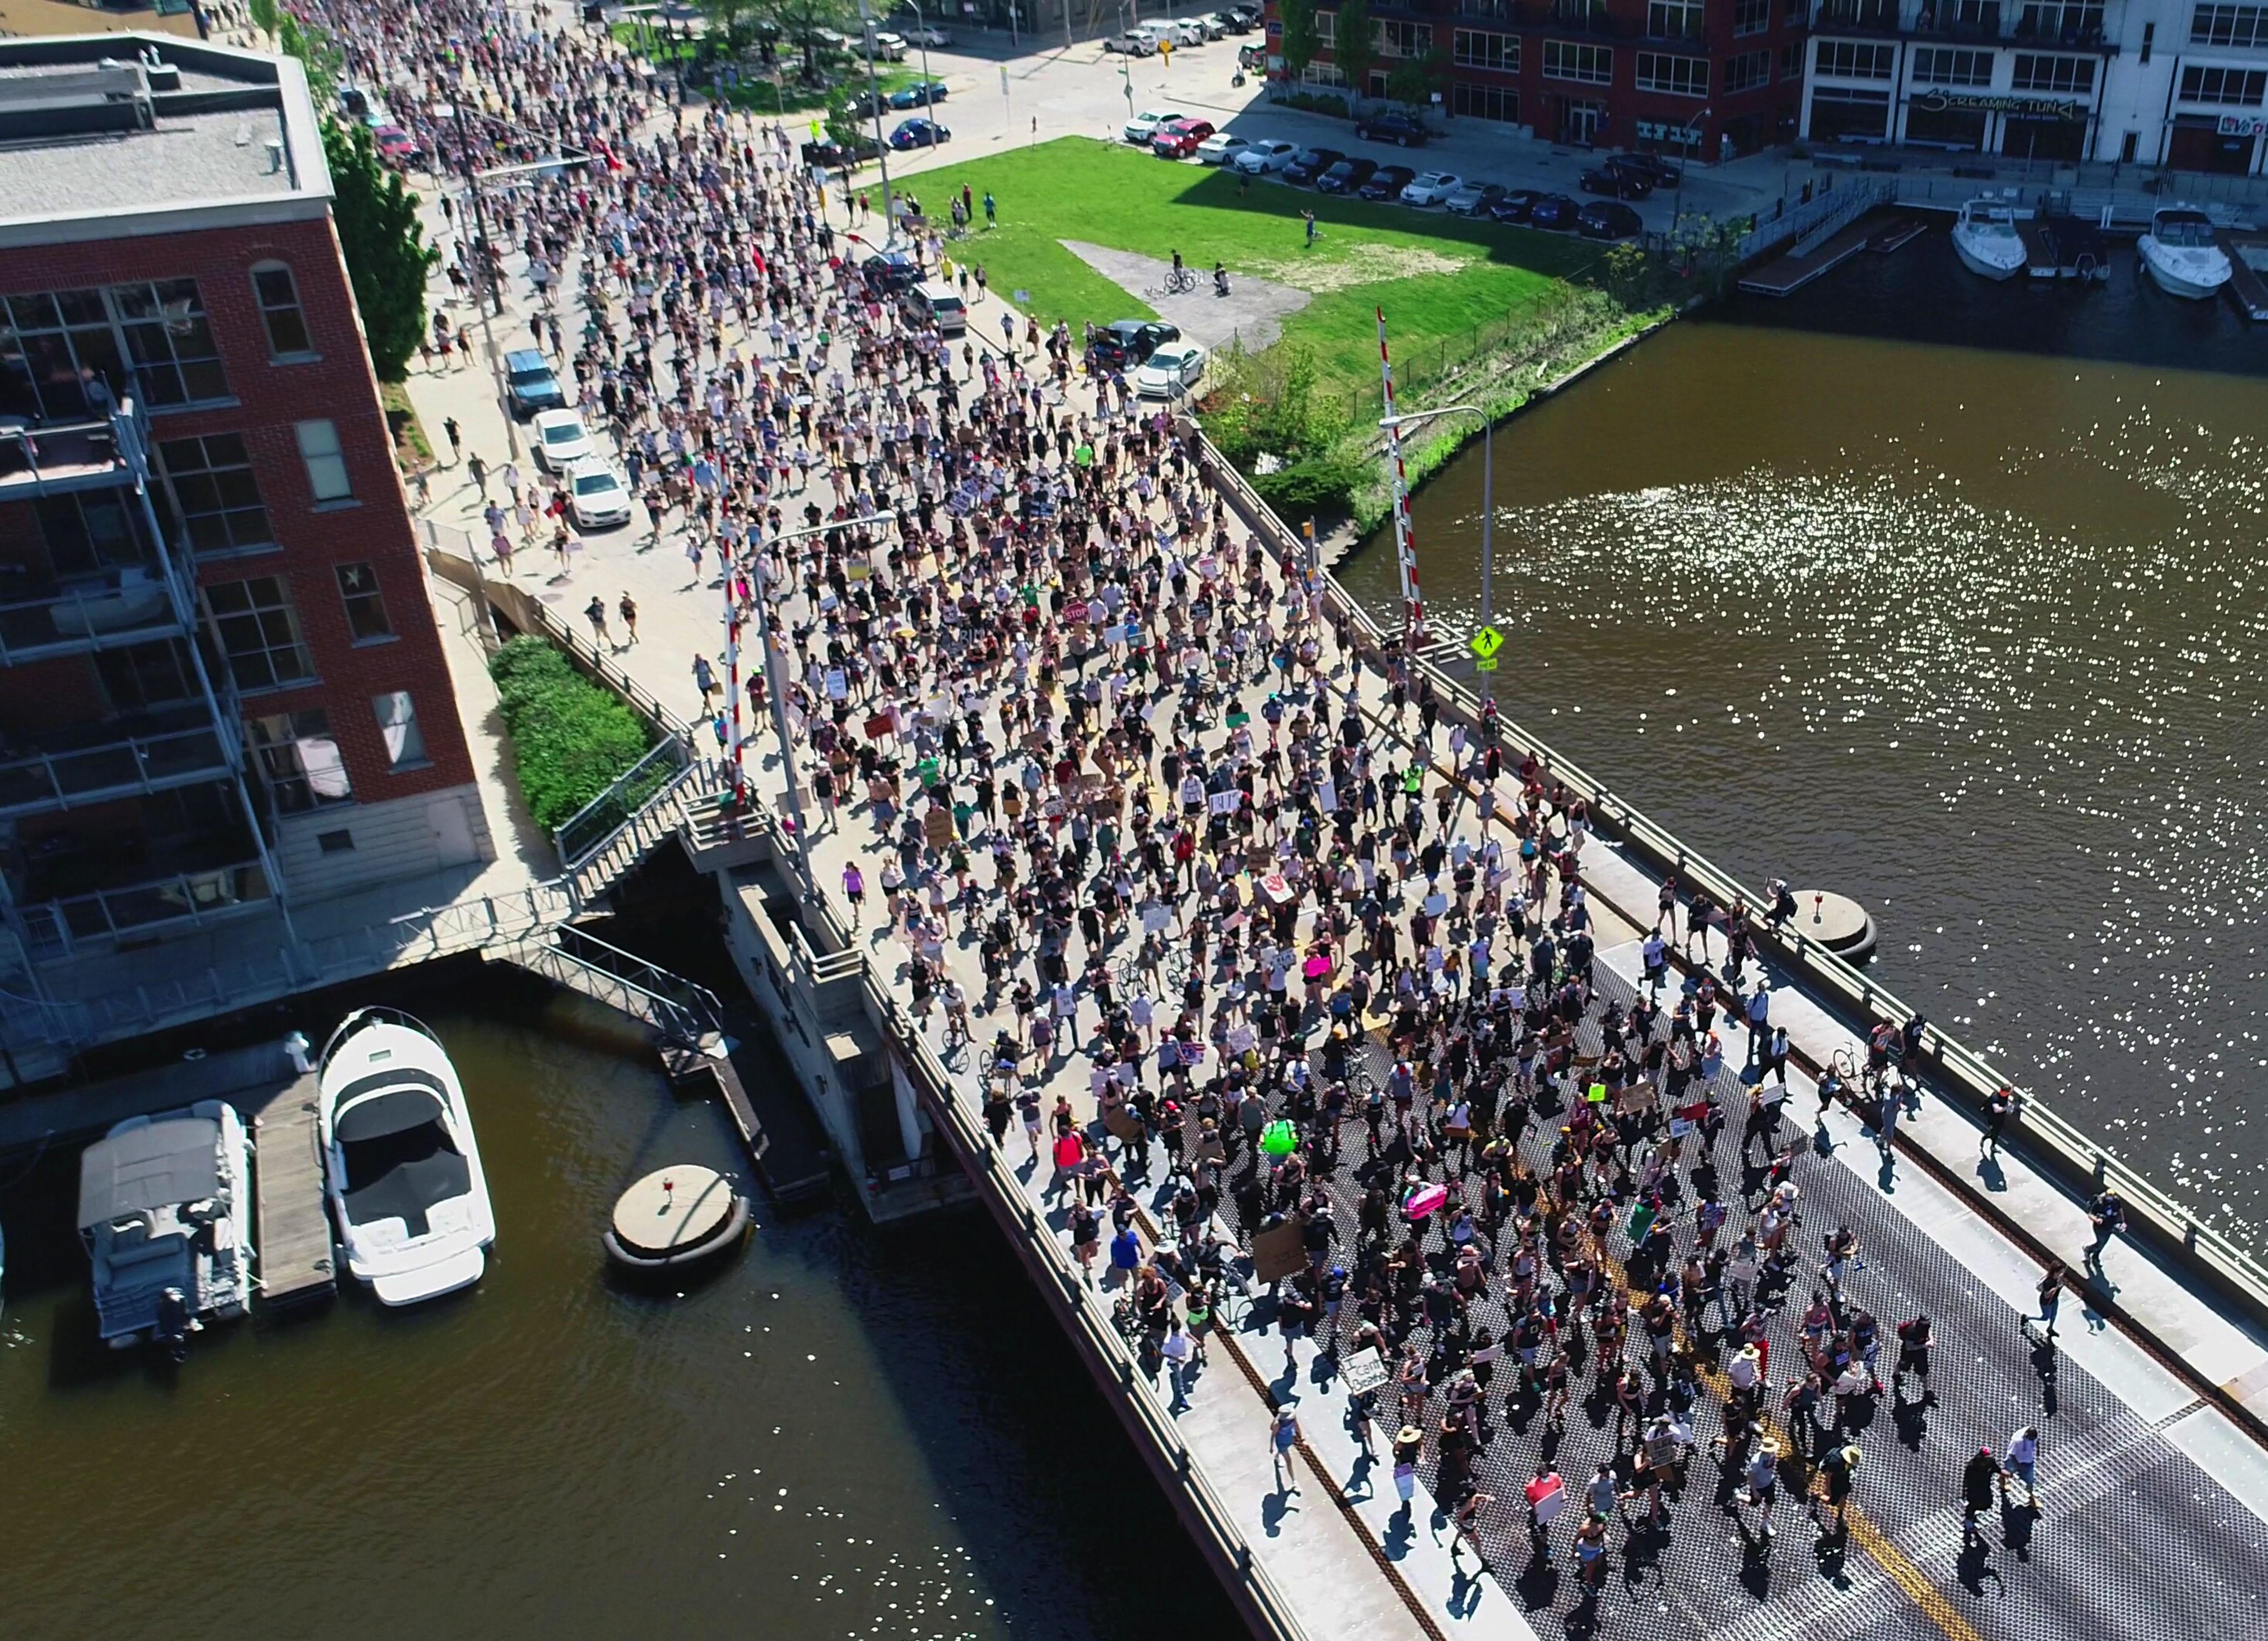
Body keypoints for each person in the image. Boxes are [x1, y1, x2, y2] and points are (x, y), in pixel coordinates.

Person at [1961, 1446, 1999, 1543]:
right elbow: (1967, 1479)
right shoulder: (1972, 1466)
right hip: (1974, 1489)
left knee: (1988, 1503)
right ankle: (1969, 1522)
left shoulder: (1990, 1462)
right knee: (1972, 1505)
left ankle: (1971, 1516)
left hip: (1985, 1488)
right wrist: (1965, 1491)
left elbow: (1996, 1469)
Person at [2085, 1188, 2126, 1268]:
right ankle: (2087, 1249)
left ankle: (2095, 1258)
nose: (2110, 1198)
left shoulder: (2116, 1202)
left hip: (2110, 1227)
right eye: (2109, 1196)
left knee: (2103, 1244)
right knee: (2100, 1243)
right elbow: (2090, 1214)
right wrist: (2097, 1220)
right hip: (2100, 1228)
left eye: (2112, 1196)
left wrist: (2123, 1222)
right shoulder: (2100, 1203)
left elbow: (2120, 1211)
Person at [1270, 1404, 1303, 1494]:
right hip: (1282, 1442)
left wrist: (1301, 1437)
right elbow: (1273, 1434)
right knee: (1289, 1461)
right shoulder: (1277, 1424)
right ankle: (1294, 1481)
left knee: (1284, 1453)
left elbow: (1297, 1426)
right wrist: (1272, 1446)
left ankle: (1278, 1456)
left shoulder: (1292, 1418)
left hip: (1289, 1438)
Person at [2003, 1426, 2039, 1506]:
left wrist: (2038, 1450)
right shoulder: (2017, 1441)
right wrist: (2019, 1466)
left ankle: (2031, 1497)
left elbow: (2037, 1440)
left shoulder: (2034, 1436)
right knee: (2008, 1473)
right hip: (2014, 1462)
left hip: (2028, 1462)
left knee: (2030, 1481)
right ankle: (2002, 1482)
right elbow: (2011, 1454)